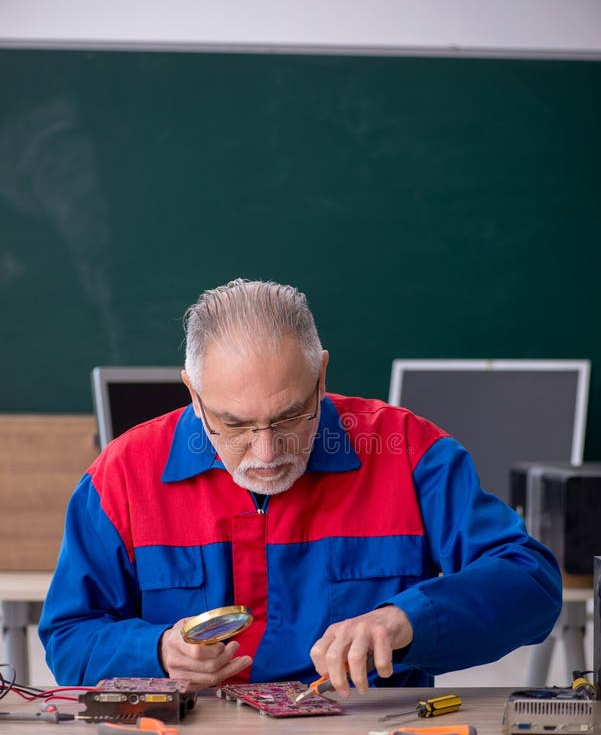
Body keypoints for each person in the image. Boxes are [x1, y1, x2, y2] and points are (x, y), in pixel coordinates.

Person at [39, 279, 562, 693]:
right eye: (235, 425)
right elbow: (68, 637)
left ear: (322, 376)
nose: (266, 454)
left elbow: (531, 584)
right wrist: (155, 651)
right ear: (193, 393)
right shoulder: (124, 475)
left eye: (290, 417)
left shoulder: (407, 451)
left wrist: (407, 618)